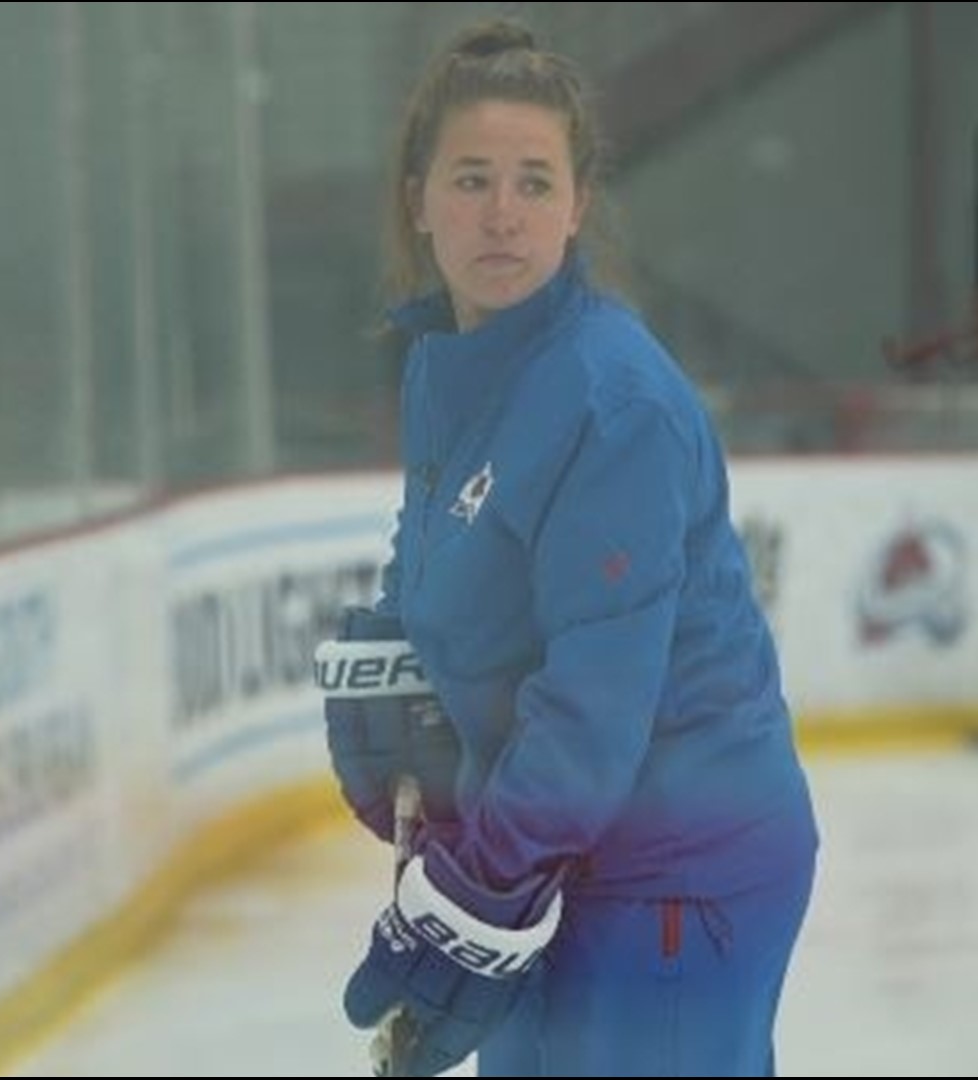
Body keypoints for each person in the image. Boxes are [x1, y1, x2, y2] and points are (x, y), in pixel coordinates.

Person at [316, 17, 819, 1077]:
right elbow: (424, 556)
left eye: (535, 183)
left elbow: (596, 703)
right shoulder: (444, 366)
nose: (503, 213)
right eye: (472, 179)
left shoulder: (612, 404)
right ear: (419, 199)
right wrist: (394, 658)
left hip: (675, 871)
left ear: (577, 204)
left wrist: (473, 893)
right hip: (551, 859)